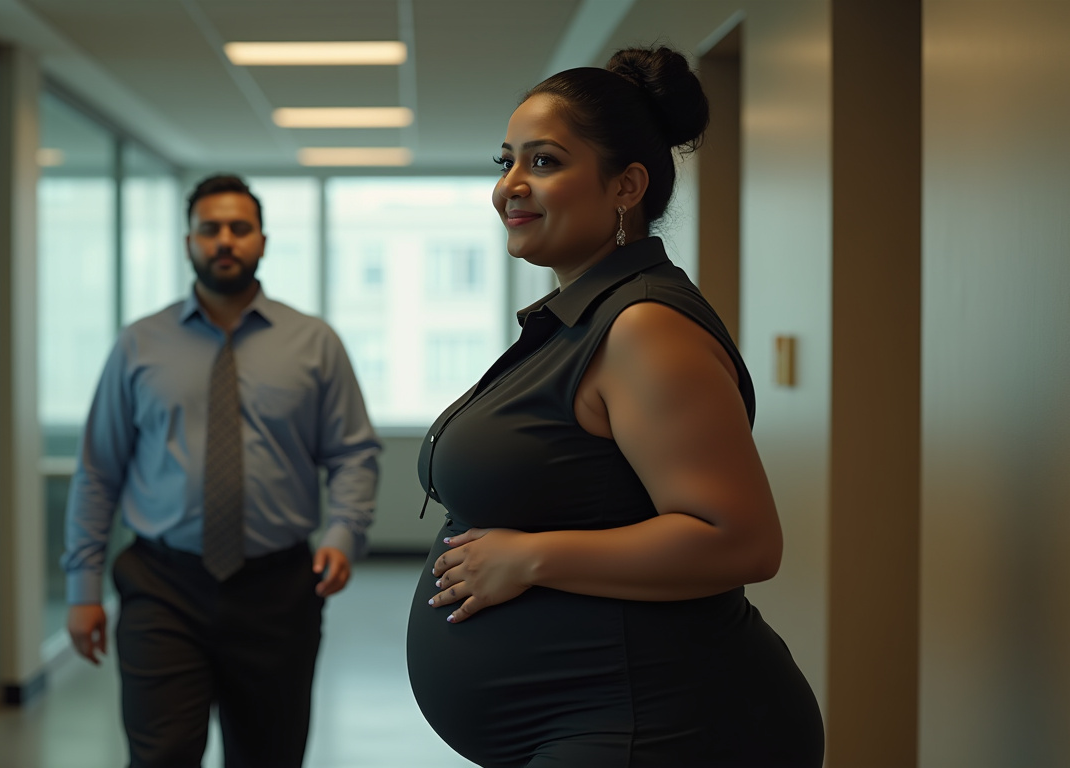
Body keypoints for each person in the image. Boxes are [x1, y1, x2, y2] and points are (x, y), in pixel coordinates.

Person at [405, 46, 825, 768]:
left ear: (626, 185)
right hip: (602, 720)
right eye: (505, 161)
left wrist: (532, 558)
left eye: (543, 162)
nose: (509, 186)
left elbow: (742, 541)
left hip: (659, 723)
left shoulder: (644, 328)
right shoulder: (582, 318)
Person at [63, 174, 381, 768]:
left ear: (263, 240)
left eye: (240, 228)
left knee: (268, 757)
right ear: (188, 241)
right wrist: (82, 587)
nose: (225, 240)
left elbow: (353, 452)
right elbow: (98, 470)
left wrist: (343, 532)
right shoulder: (139, 345)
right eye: (210, 229)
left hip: (279, 589)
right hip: (162, 585)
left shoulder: (314, 343)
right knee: (161, 755)